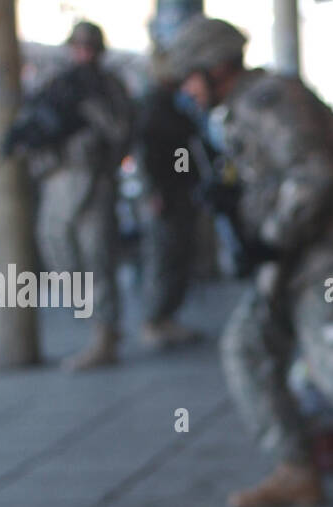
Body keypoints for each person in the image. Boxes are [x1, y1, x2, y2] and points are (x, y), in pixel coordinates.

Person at [163, 17, 333, 507]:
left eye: (189, 77)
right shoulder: (238, 110)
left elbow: (313, 174)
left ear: (216, 67)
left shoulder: (269, 100)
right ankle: (294, 469)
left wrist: (269, 238)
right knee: (247, 349)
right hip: (296, 260)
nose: (186, 89)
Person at [13, 22, 133, 371]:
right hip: (58, 179)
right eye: (78, 48)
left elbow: (121, 132)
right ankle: (94, 320)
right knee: (58, 250)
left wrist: (91, 108)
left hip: (93, 179)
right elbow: (35, 123)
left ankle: (104, 333)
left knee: (97, 254)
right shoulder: (57, 83)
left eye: (89, 48)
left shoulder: (106, 87)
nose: (83, 55)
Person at [133, 55, 202, 350]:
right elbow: (149, 155)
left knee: (177, 256)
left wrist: (187, 179)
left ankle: (166, 318)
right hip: (165, 196)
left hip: (177, 192)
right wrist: (154, 192)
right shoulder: (154, 107)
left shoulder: (173, 105)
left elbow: (181, 152)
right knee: (163, 257)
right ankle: (154, 320)